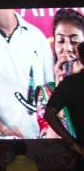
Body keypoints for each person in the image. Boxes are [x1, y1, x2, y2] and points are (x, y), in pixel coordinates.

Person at [0, 9, 54, 139]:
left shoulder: (36, 36)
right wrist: (2, 128)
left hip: (40, 142)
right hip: (3, 143)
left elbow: (49, 90)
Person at [44, 41, 84, 171]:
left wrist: (73, 144)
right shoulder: (71, 83)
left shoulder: (71, 83)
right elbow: (49, 115)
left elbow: (50, 114)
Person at [36, 9, 84, 138]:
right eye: (61, 41)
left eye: (74, 42)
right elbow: (49, 142)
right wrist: (60, 88)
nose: (67, 48)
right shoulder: (46, 92)